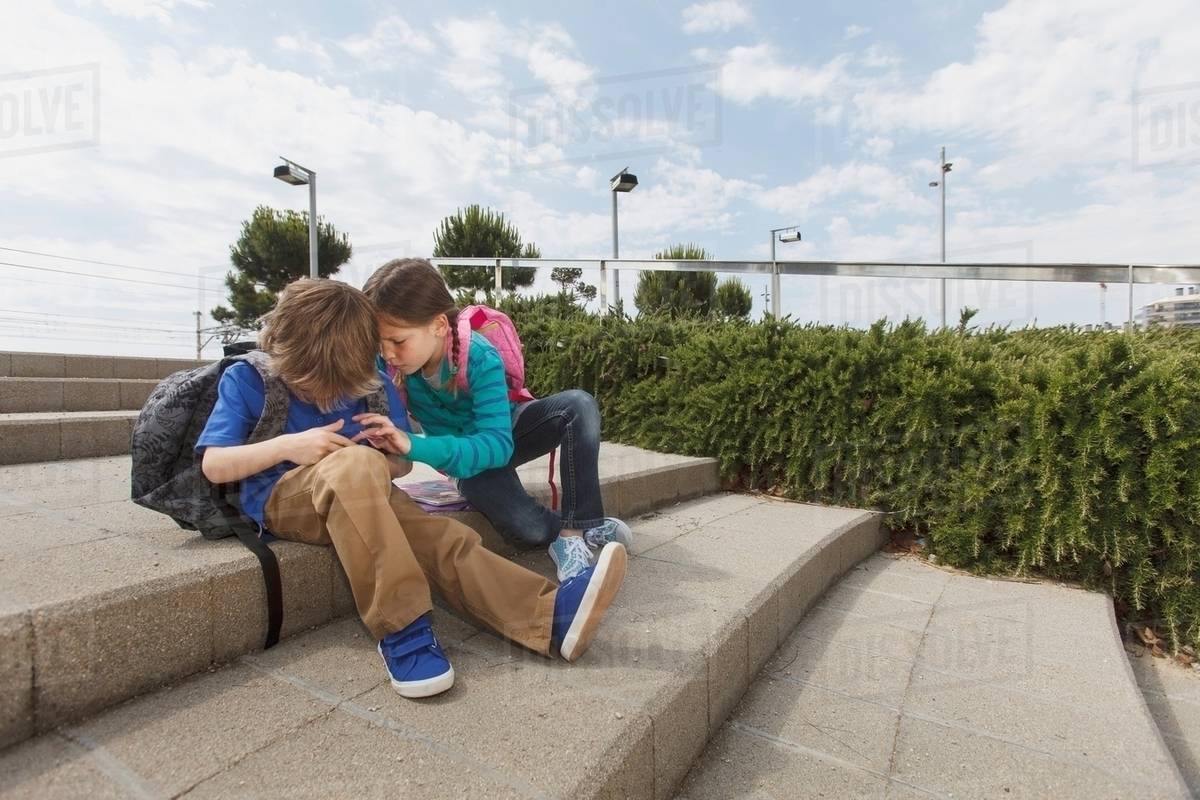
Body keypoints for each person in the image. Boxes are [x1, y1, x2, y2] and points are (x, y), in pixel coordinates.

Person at [195, 278, 627, 699]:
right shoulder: (250, 378)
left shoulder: (370, 381)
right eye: (312, 382)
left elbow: (400, 467)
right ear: (286, 352)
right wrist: (292, 445)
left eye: (342, 381)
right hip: (281, 500)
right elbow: (214, 465)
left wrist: (390, 454)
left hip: (362, 495)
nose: (330, 392)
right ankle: (403, 629)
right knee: (354, 464)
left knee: (439, 537)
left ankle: (549, 617)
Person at [362, 258, 632, 584]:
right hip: (466, 463)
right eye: (381, 343)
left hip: (505, 432)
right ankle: (576, 525)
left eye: (398, 341)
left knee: (579, 406)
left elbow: (498, 445)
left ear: (437, 325)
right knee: (529, 529)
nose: (387, 353)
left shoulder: (478, 355)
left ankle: (577, 530)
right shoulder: (387, 366)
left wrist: (414, 445)